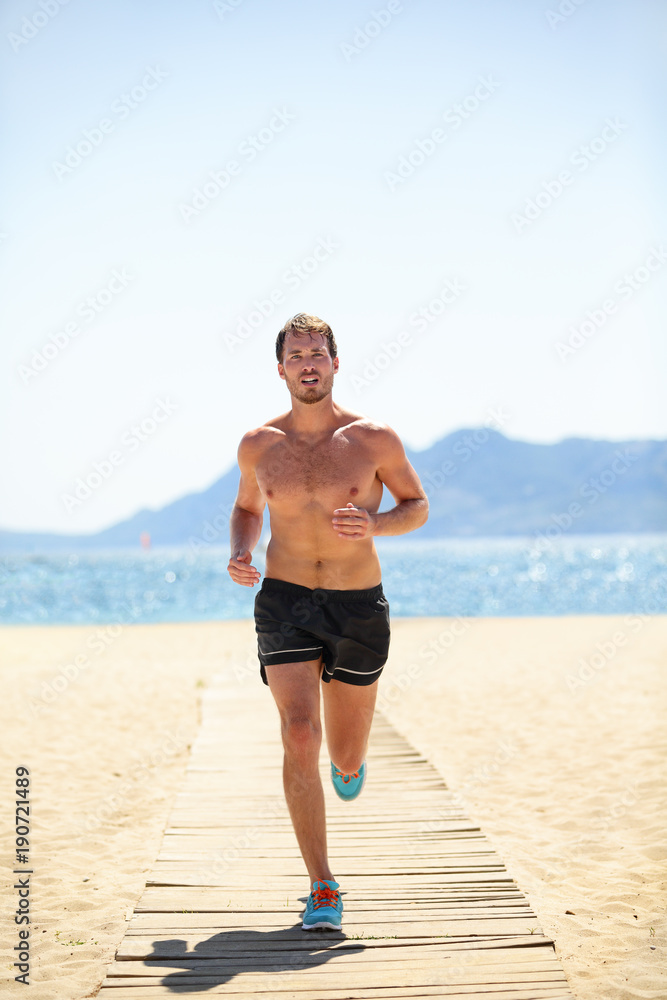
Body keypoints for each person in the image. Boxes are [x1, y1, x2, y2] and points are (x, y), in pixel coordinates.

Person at [228, 313, 428, 930]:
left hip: (356, 604)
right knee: (298, 734)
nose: (307, 364)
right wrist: (240, 550)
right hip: (284, 600)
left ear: (335, 363)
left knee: (342, 754)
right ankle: (322, 884)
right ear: (281, 369)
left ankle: (349, 765)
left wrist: (376, 524)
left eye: (317, 353)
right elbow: (246, 508)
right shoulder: (259, 445)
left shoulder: (373, 439)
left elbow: (417, 506)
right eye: (296, 356)